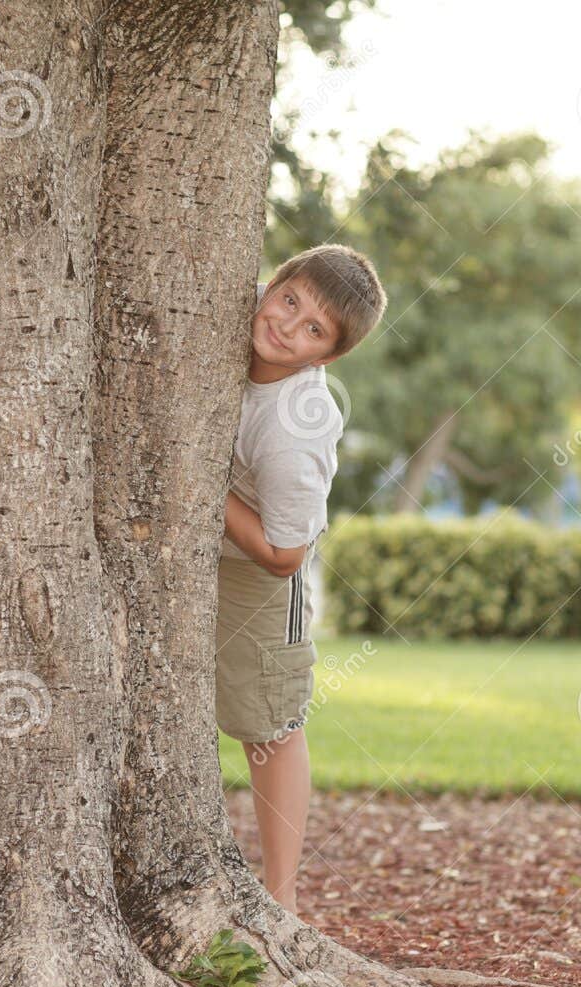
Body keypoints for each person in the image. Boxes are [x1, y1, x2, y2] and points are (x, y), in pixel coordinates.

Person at [217, 244, 387, 913]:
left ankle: (281, 902)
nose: (287, 325)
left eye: (314, 328)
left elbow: (285, 552)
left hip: (258, 568)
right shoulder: (222, 310)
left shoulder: (294, 426)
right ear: (274, 282)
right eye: (288, 299)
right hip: (181, 549)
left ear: (327, 356)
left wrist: (202, 477)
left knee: (268, 723)